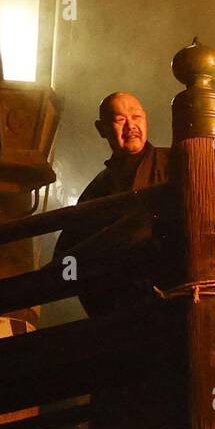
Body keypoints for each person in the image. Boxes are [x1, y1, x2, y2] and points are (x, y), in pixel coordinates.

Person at [53, 92, 172, 317]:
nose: (131, 126)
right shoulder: (97, 189)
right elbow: (66, 256)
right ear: (102, 129)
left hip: (173, 297)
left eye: (136, 117)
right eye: (120, 120)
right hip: (120, 310)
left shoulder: (173, 162)